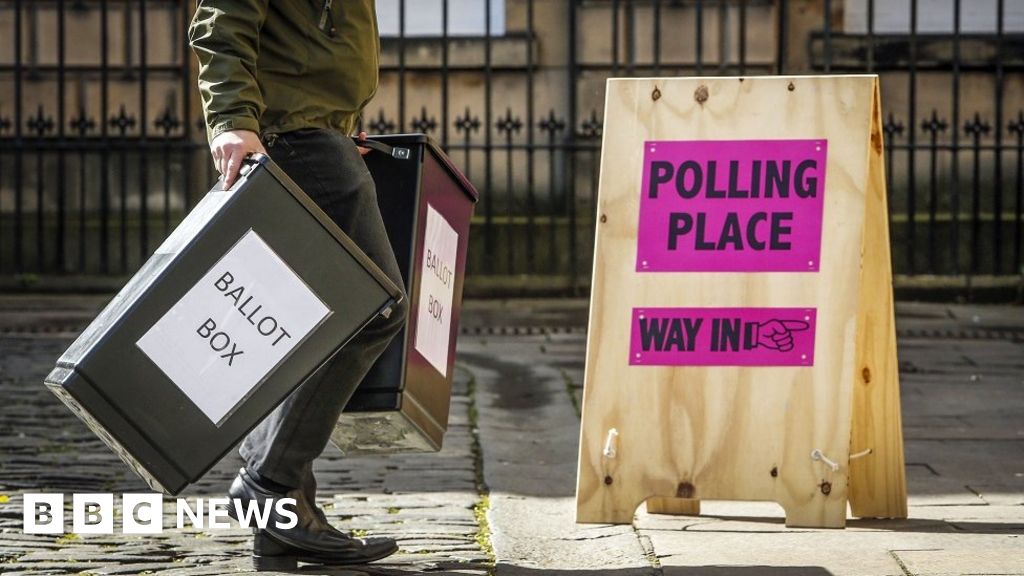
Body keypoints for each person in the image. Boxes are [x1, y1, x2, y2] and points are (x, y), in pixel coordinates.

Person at [189, 0, 408, 570]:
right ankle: (270, 482)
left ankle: (283, 520)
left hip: (317, 132)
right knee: (373, 307)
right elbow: (223, 20)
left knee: (309, 322)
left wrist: (339, 121)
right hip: (294, 135)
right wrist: (233, 119)